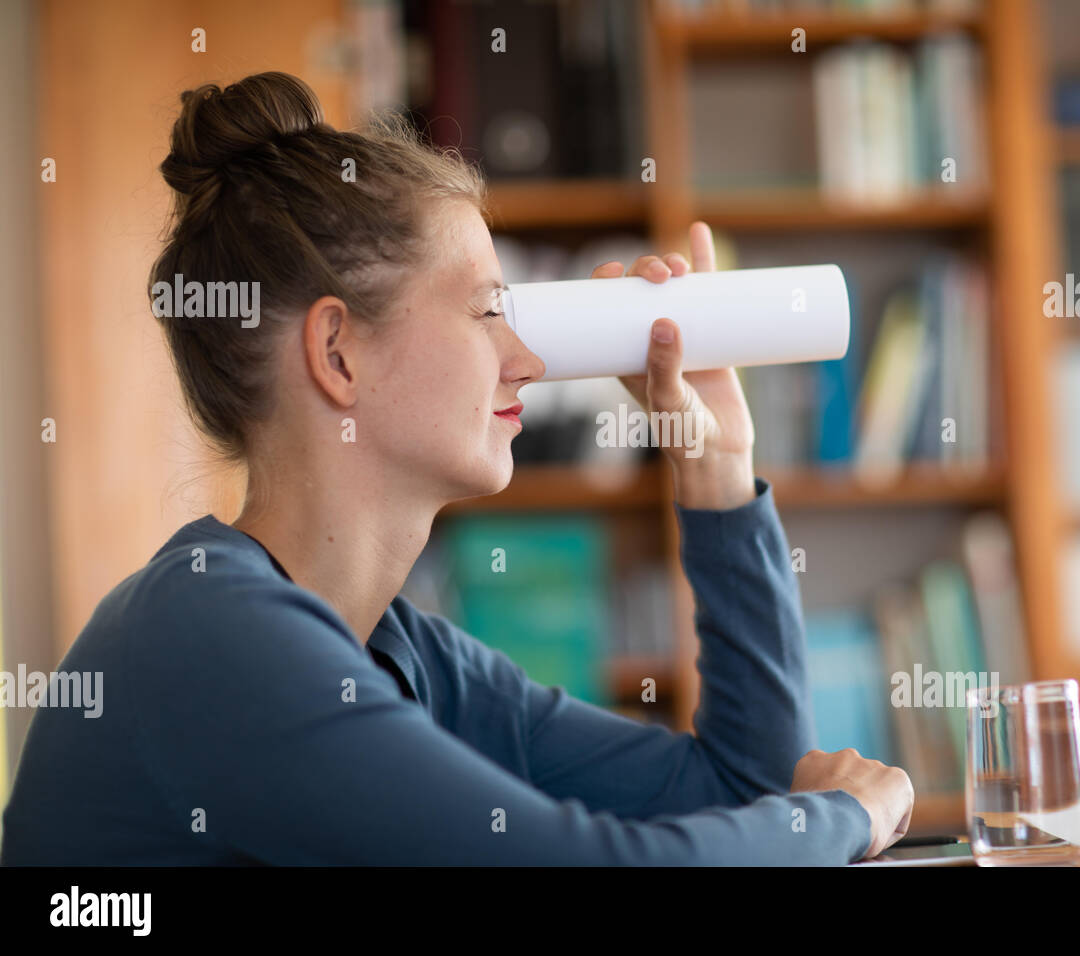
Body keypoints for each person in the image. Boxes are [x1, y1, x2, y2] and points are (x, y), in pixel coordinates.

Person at [0, 72, 913, 865]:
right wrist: (843, 816)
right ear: (339, 354)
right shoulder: (204, 634)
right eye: (486, 312)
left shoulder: (410, 654)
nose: (527, 360)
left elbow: (743, 786)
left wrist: (717, 469)